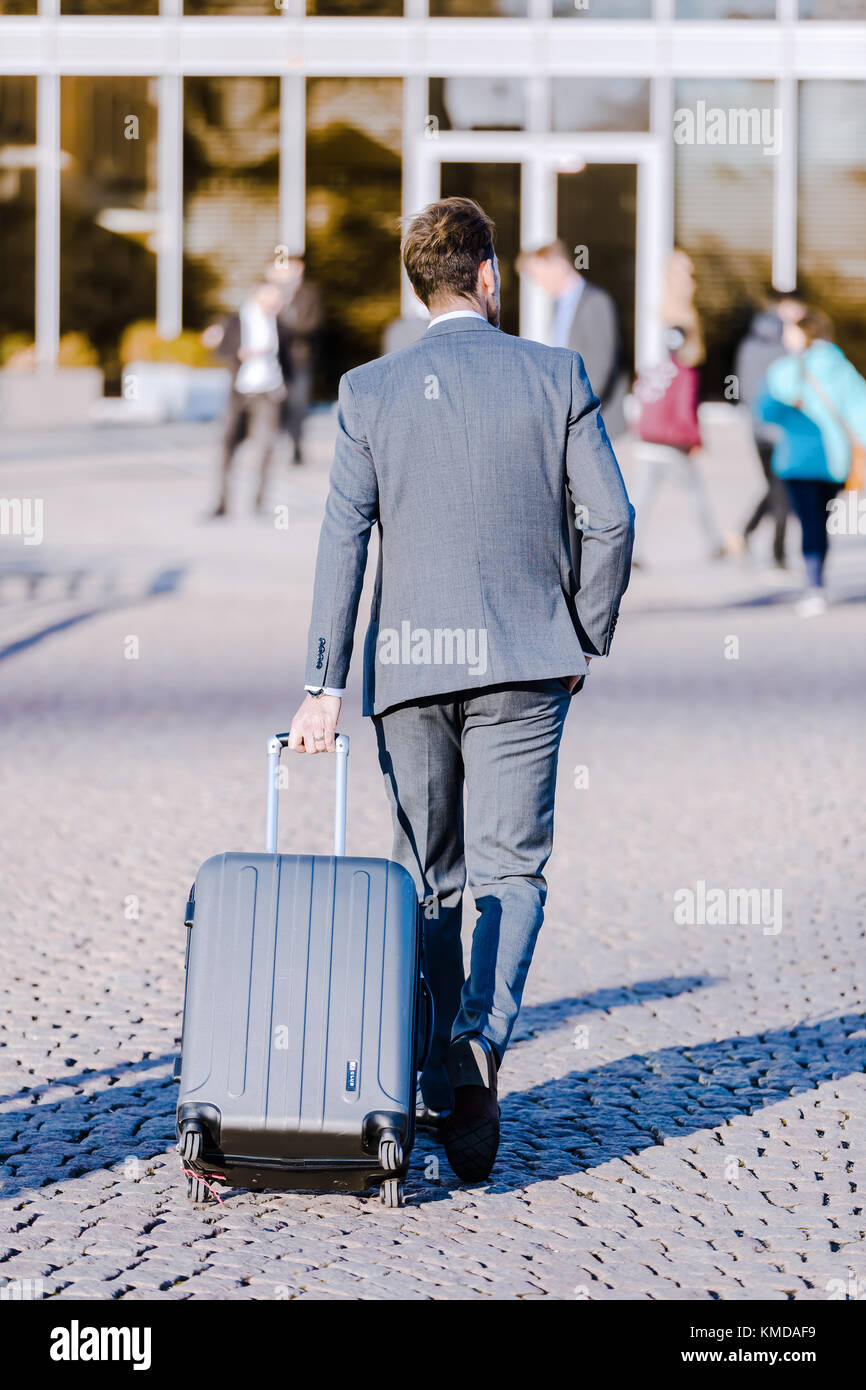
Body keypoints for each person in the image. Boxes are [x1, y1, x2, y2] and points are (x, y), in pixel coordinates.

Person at [287, 197, 634, 1185]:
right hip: (529, 660)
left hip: (407, 671)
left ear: (416, 285)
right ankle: (474, 1062)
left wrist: (321, 682)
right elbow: (609, 524)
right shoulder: (554, 373)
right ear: (488, 276)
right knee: (511, 871)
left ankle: (436, 1071)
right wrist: (584, 633)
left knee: (427, 877)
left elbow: (341, 542)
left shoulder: (368, 391)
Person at [757, 309, 866, 616]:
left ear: (804, 333)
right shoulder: (841, 367)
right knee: (820, 521)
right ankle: (818, 582)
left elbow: (765, 411)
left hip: (798, 458)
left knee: (809, 522)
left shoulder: (786, 368)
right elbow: (861, 410)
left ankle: (814, 586)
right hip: (836, 459)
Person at [630, 324, 725, 568]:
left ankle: (632, 552)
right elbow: (685, 412)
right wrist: (696, 439)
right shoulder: (685, 374)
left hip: (646, 443)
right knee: (696, 495)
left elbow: (638, 403)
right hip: (673, 445)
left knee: (640, 502)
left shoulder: (649, 371)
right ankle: (714, 544)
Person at [518, 239, 629, 439]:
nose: (538, 283)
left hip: (602, 427)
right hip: (576, 425)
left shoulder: (596, 302)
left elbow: (601, 369)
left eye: (539, 275)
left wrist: (572, 412)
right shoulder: (557, 307)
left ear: (558, 264)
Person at [735, 289, 805, 569]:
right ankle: (778, 553)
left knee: (777, 488)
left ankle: (747, 532)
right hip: (780, 428)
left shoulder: (748, 343)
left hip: (758, 429)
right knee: (782, 491)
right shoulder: (786, 347)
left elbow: (742, 388)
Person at [209, 281, 293, 517]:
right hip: (241, 392)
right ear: (258, 297)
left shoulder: (280, 325)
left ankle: (259, 502)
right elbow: (221, 351)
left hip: (269, 393)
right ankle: (222, 502)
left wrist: (287, 386)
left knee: (266, 447)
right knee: (228, 446)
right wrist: (239, 353)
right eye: (271, 298)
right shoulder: (236, 321)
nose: (276, 303)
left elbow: (287, 359)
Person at [266, 254, 323, 466]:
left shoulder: (309, 293)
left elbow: (313, 324)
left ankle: (296, 444)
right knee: (278, 404)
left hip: (299, 357)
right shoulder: (269, 292)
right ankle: (276, 441)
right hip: (274, 359)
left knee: (298, 403)